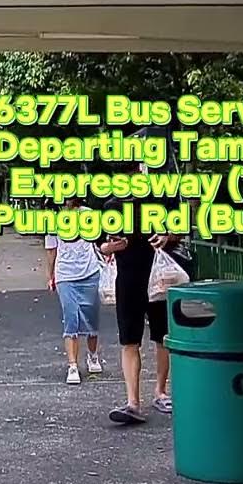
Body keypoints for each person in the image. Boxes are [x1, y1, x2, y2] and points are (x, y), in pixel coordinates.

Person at [99, 167, 182, 424]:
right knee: (129, 339)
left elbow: (178, 233)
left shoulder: (158, 201)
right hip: (129, 279)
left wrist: (166, 237)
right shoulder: (111, 206)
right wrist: (112, 246)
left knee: (161, 336)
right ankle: (133, 402)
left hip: (159, 280)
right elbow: (101, 245)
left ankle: (160, 391)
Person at [44, 196, 105, 385]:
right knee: (71, 318)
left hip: (89, 271)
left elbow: (99, 240)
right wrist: (50, 275)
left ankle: (93, 356)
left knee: (91, 316)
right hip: (66, 275)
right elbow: (51, 249)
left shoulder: (87, 214)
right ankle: (72, 365)